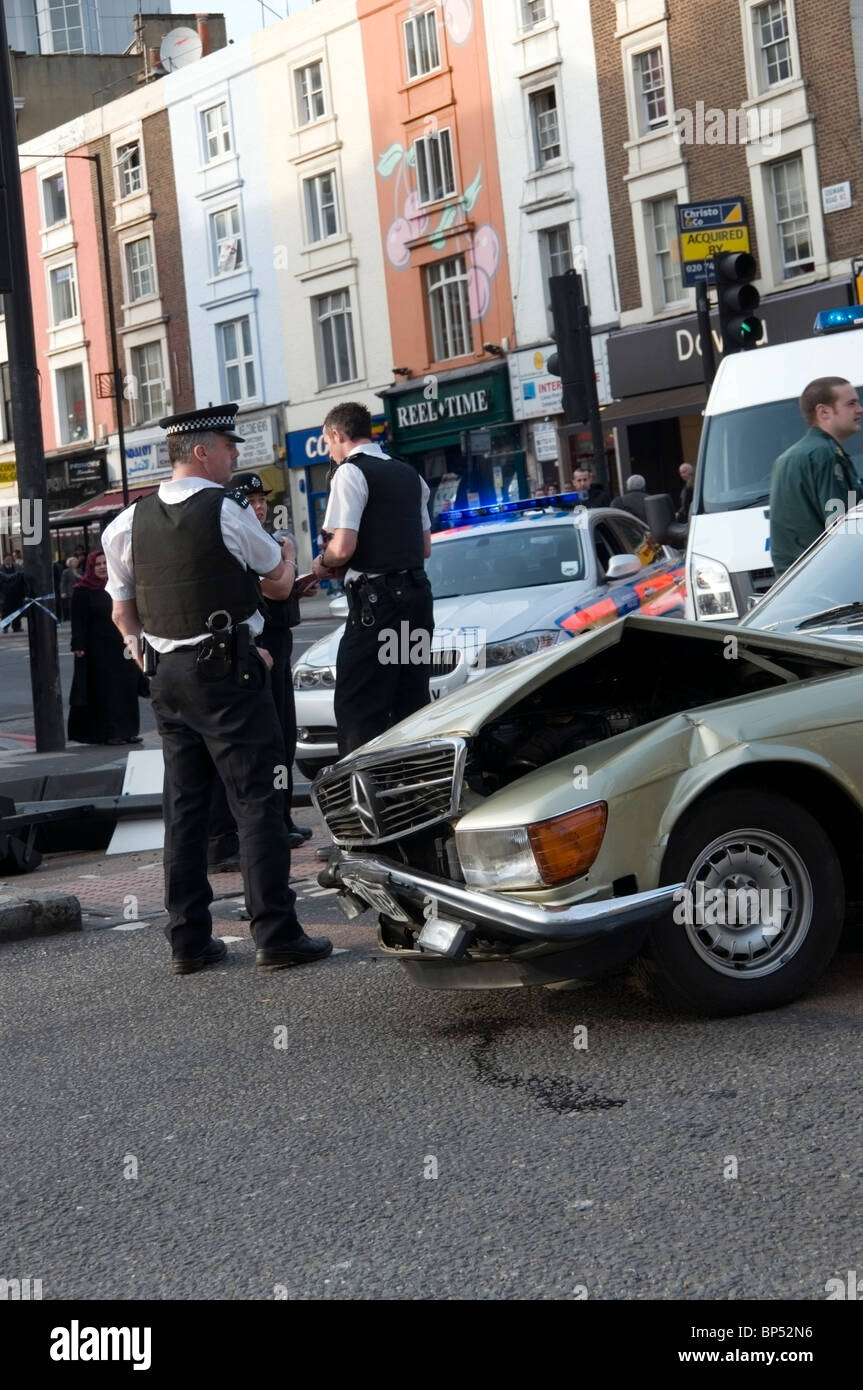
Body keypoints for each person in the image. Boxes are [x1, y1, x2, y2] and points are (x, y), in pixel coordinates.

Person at [102, 403, 332, 977]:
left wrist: (144, 652)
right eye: (229, 446)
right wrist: (281, 559)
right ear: (201, 452)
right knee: (256, 801)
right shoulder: (227, 512)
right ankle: (276, 935)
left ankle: (189, 941)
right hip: (227, 673)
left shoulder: (127, 521)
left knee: (184, 809)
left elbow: (120, 609)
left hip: (168, 678)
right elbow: (278, 588)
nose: (236, 454)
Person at [311, 401, 434, 759]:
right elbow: (424, 547)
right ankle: (418, 791)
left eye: (328, 442)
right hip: (415, 599)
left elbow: (343, 546)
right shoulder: (408, 473)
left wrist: (322, 563)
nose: (329, 452)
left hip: (377, 606)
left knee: (358, 708)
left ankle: (365, 801)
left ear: (338, 434)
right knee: (409, 702)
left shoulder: (350, 473)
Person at [206, 471, 316, 867]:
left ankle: (281, 816)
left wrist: (300, 581)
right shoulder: (243, 539)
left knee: (283, 740)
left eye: (262, 500)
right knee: (262, 744)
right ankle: (250, 830)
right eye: (251, 501)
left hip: (279, 641)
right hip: (258, 647)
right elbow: (275, 587)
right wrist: (287, 564)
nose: (259, 506)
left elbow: (285, 589)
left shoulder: (266, 537)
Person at [769, 377, 863, 577]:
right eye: (851, 403)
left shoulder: (788, 458)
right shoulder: (825, 455)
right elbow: (843, 529)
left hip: (798, 583)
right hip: (831, 578)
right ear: (824, 412)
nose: (860, 409)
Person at [68, 552, 143, 746]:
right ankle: (110, 733)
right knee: (107, 692)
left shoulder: (119, 588)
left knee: (127, 688)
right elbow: (78, 621)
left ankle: (129, 731)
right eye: (97, 564)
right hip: (98, 650)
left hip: (124, 646)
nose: (102, 567)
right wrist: (78, 645)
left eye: (104, 563)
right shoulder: (83, 591)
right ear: (91, 567)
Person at [0, 553, 27, 633]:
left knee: (17, 612)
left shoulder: (18, 568)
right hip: (5, 595)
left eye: (10, 559)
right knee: (5, 612)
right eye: (7, 559)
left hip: (16, 594)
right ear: (4, 560)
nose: (9, 561)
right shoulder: (1, 569)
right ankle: (5, 627)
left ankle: (16, 627)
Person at [59, 556, 79, 622]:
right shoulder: (66, 571)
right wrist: (63, 592)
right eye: (74, 562)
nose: (75, 563)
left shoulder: (79, 570)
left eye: (76, 562)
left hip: (79, 591)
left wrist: (78, 576)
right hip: (70, 591)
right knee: (72, 607)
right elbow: (63, 582)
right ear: (70, 563)